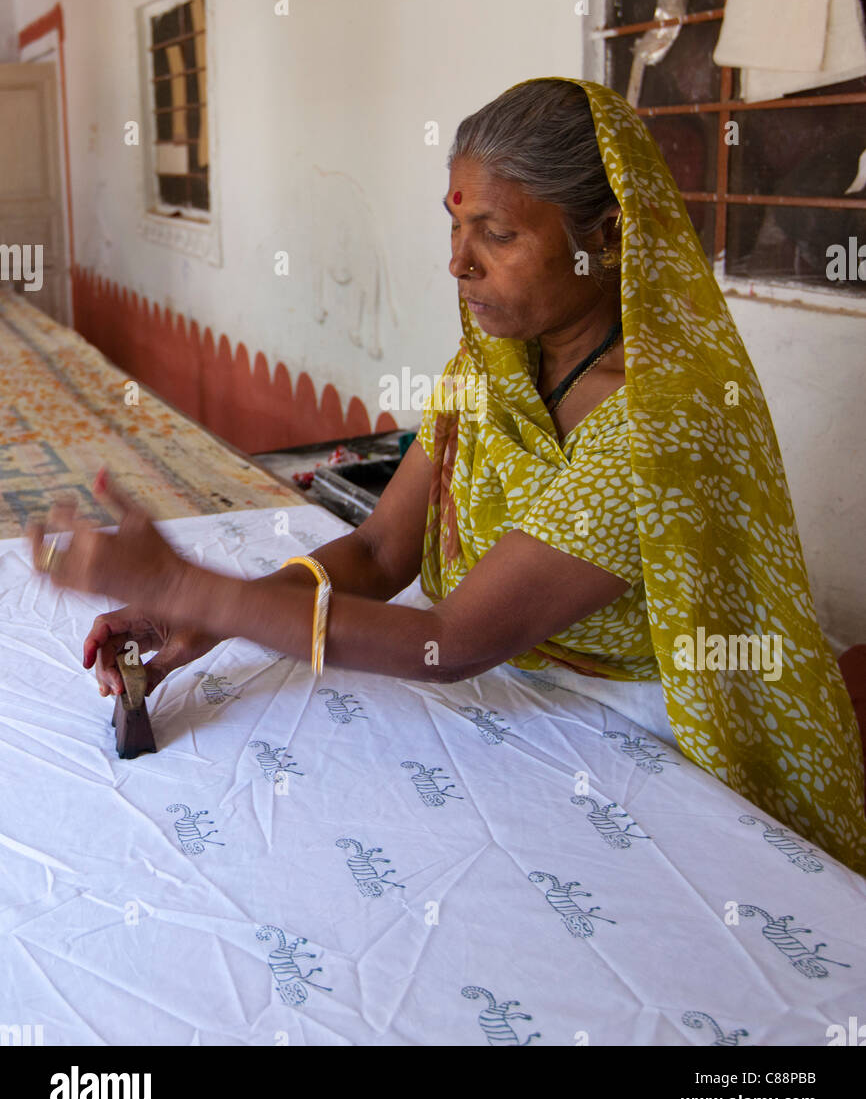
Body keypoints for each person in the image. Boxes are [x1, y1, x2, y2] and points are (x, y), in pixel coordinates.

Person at [29, 78, 866, 876]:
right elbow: (381, 552)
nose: (460, 264)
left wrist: (196, 589)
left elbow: (450, 642)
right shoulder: (493, 366)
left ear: (607, 239)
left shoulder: (658, 422)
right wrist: (206, 622)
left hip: (643, 732)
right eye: (455, 229)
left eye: (498, 236)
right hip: (511, 689)